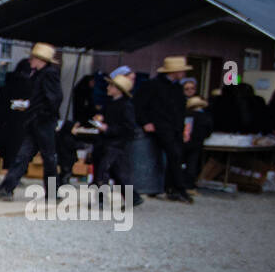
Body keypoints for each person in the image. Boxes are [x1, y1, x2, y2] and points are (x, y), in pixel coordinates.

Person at [0, 42, 62, 201]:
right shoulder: (39, 74)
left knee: (48, 157)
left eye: (33, 58)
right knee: (23, 155)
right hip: (35, 121)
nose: (30, 61)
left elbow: (55, 99)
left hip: (43, 122)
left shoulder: (49, 74)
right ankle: (6, 189)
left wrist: (41, 113)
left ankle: (52, 193)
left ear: (39, 59)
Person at [133, 55, 193, 203]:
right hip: (161, 126)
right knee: (174, 155)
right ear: (174, 71)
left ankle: (171, 187)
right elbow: (138, 105)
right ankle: (178, 188)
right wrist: (145, 122)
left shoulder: (177, 87)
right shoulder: (153, 85)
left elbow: (181, 110)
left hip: (174, 127)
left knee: (176, 156)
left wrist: (184, 127)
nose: (183, 74)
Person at [78, 72, 141, 209]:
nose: (108, 87)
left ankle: (101, 200)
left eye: (111, 86)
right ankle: (133, 198)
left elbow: (129, 128)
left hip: (115, 144)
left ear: (118, 89)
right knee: (115, 173)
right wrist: (100, 120)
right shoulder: (111, 103)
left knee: (103, 171)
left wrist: (108, 128)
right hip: (106, 142)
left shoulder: (126, 106)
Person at [0, 56, 33, 172]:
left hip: (5, 122)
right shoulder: (31, 87)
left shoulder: (7, 85)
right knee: (20, 150)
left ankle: (6, 172)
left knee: (7, 152)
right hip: (22, 123)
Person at [183, 95, 214, 189]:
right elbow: (209, 131)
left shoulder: (185, 114)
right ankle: (189, 184)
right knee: (192, 164)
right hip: (197, 142)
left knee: (180, 162)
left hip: (184, 141)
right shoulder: (205, 116)